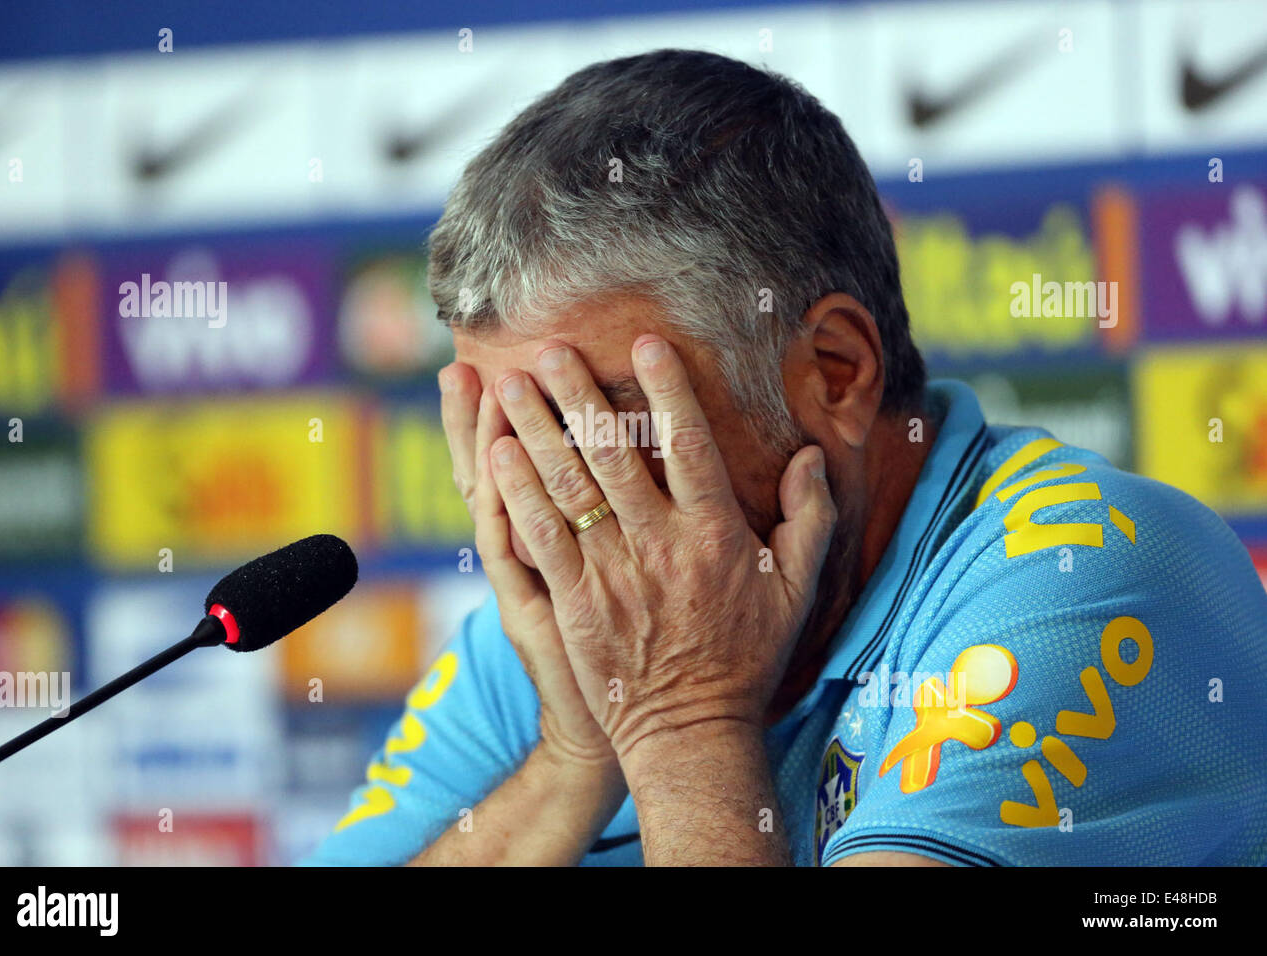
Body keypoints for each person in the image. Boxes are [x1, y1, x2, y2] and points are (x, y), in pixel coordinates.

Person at [305, 50, 1267, 866]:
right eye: (507, 435)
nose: (547, 504)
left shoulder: (1083, 573)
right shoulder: (570, 620)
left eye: (603, 424)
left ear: (838, 373)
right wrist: (571, 758)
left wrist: (680, 722)